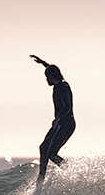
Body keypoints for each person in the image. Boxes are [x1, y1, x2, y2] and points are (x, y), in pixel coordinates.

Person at [30, 54, 74, 183]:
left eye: (47, 77)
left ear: (53, 77)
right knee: (43, 148)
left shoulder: (63, 88)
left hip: (67, 124)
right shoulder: (57, 84)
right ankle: (41, 178)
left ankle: (70, 172)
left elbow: (67, 107)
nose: (46, 80)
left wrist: (57, 118)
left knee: (51, 153)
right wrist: (42, 62)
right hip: (60, 124)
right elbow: (51, 68)